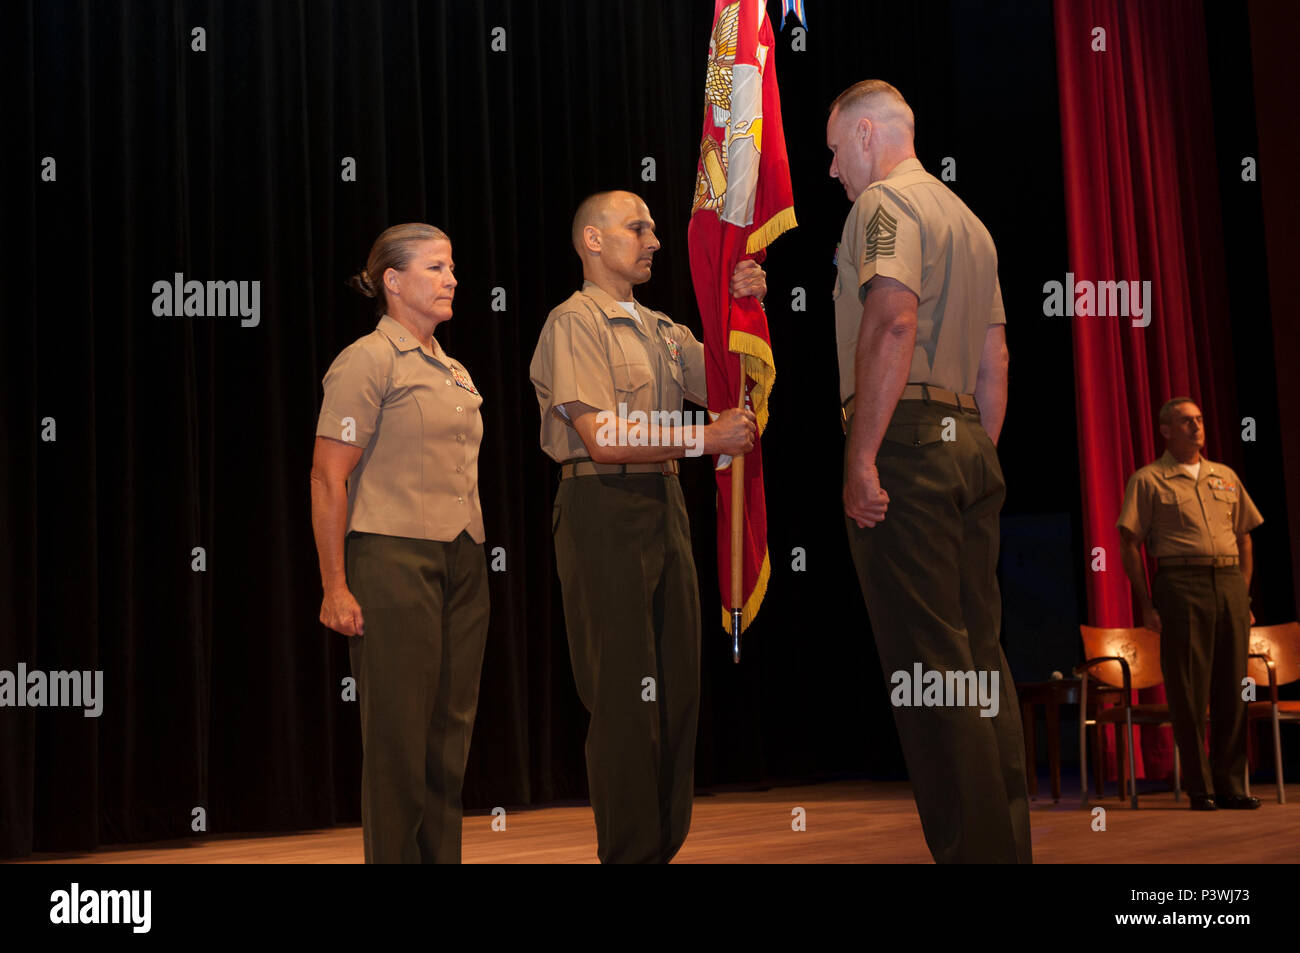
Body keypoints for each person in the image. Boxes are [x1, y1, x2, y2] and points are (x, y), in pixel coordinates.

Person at [827, 81, 1031, 863]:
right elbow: (995, 356)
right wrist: (974, 450)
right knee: (979, 660)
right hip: (969, 441)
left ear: (869, 134)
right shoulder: (970, 222)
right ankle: (1005, 848)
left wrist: (864, 454)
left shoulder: (882, 207)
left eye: (836, 149)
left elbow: (893, 318)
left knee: (930, 672)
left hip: (904, 438)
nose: (833, 168)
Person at [529, 190, 760, 863]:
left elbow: (728, 379)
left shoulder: (661, 328)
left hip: (664, 503)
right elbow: (600, 434)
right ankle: (631, 851)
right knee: (626, 693)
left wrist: (747, 305)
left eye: (655, 227)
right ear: (593, 241)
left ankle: (660, 846)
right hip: (603, 506)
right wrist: (702, 435)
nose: (654, 239)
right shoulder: (573, 322)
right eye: (638, 228)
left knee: (678, 690)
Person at [309, 223, 490, 862]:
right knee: (397, 741)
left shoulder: (453, 368)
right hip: (391, 558)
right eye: (437, 267)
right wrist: (335, 585)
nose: (452, 279)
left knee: (449, 736)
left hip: (462, 560)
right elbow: (329, 475)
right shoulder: (368, 360)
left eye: (452, 267)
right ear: (393, 280)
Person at [1117, 398, 1263, 810]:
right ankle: (1201, 787)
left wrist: (1243, 591)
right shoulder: (1149, 480)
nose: (1196, 427)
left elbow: (1245, 535)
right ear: (1165, 430)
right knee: (1188, 689)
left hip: (1229, 581)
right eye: (1185, 421)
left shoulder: (1225, 476)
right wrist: (1146, 601)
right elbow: (1129, 541)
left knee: (1232, 687)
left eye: (1199, 419)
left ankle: (1231, 783)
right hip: (1181, 582)